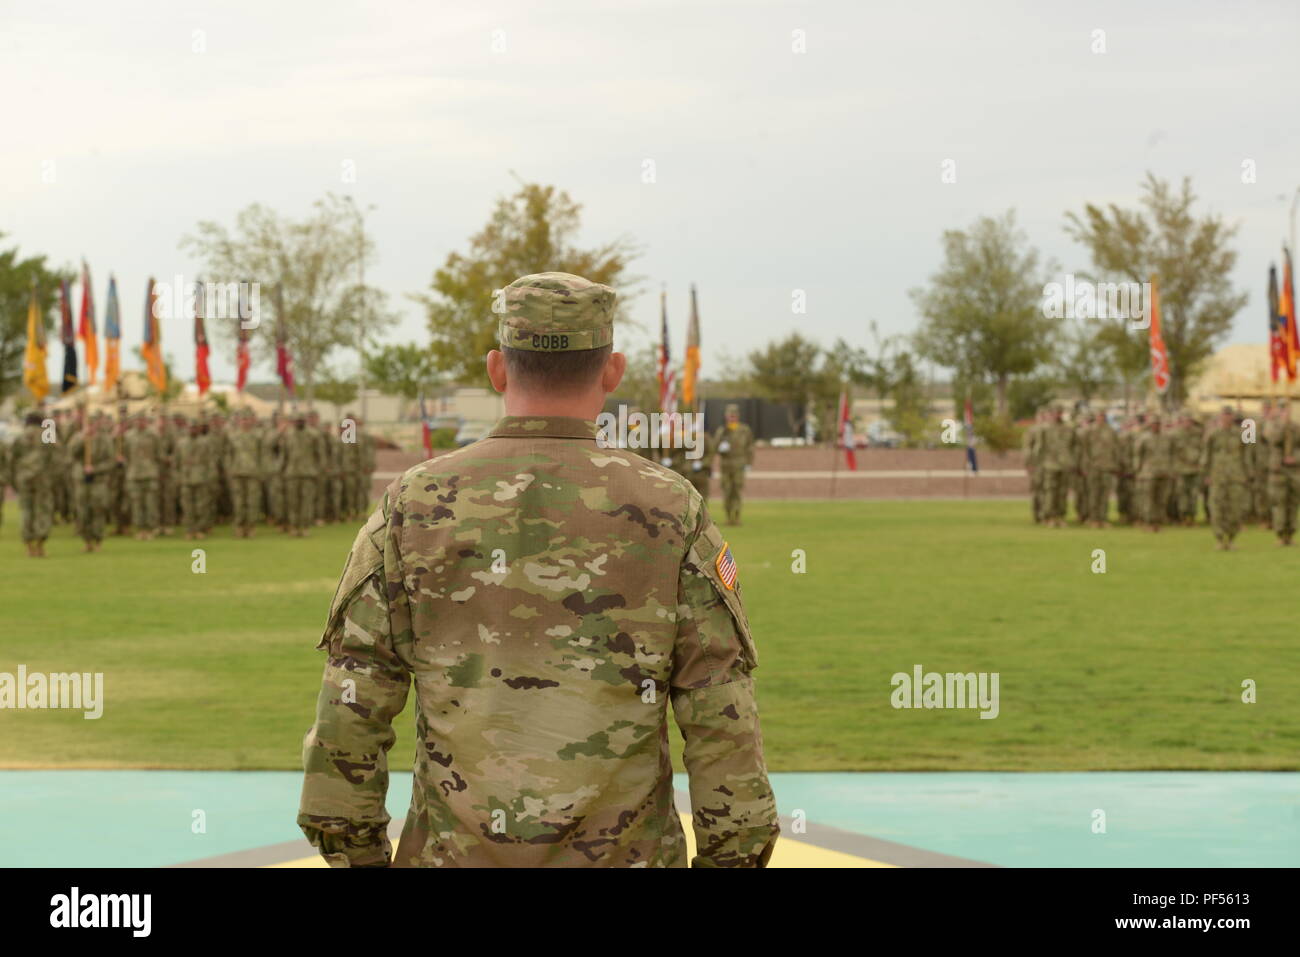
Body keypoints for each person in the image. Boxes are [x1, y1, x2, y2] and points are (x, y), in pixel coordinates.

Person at [297, 271, 778, 868]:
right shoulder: (671, 507)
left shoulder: (414, 504)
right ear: (612, 371)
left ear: (498, 369)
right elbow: (719, 714)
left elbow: (353, 704)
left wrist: (357, 856)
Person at [66, 411, 116, 552]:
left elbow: (110, 461)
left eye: (93, 423)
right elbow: (71, 454)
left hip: (98, 481)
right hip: (81, 480)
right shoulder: (78, 437)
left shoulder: (105, 439)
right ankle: (87, 541)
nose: (91, 427)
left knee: (98, 510)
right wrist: (83, 438)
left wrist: (95, 468)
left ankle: (98, 540)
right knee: (82, 512)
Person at [1201, 406, 1249, 550]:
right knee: (1217, 508)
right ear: (1220, 417)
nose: (1227, 418)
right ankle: (1220, 539)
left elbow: (1247, 454)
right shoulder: (1213, 434)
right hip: (1217, 475)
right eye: (1225, 415)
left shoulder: (1241, 434)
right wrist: (1206, 474)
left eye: (1230, 415)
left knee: (1235, 508)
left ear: (1233, 417)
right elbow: (1206, 455)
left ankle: (1231, 537)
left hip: (1236, 476)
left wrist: (1247, 473)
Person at [8, 411, 56, 556]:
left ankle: (29, 547)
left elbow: (11, 461)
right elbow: (52, 458)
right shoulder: (46, 436)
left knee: (26, 511)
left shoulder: (19, 437)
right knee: (43, 510)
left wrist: (14, 480)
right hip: (42, 478)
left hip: (23, 478)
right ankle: (40, 546)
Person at [712, 403, 755, 525]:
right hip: (726, 465)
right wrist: (720, 447)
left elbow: (750, 447)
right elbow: (714, 448)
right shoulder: (722, 431)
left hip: (739, 464)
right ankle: (728, 516)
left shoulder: (744, 430)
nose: (732, 417)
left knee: (737, 490)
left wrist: (749, 463)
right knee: (726, 491)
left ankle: (736, 516)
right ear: (726, 416)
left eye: (734, 415)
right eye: (730, 415)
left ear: (738, 416)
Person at [124, 412, 163, 539]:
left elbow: (159, 454)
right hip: (134, 474)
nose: (140, 423)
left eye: (142, 420)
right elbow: (126, 454)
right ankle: (140, 529)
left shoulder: (153, 435)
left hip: (149, 473)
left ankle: (151, 529)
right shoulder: (128, 435)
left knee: (150, 504)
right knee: (137, 504)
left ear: (146, 421)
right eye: (137, 420)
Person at [1267, 400, 1300, 546]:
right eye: (1281, 409)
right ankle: (1280, 535)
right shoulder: (1272, 426)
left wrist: (1295, 458)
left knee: (1292, 504)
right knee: (1279, 504)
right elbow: (1273, 440)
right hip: (1278, 470)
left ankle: (1290, 534)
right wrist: (1282, 425)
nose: (1284, 412)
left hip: (1294, 471)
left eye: (1286, 409)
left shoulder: (1296, 427)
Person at [1134, 414, 1174, 533]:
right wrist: (1138, 471)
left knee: (1161, 500)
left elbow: (1171, 455)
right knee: (1148, 500)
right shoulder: (1144, 438)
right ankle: (1148, 522)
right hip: (1148, 474)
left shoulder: (1166, 438)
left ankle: (1158, 523)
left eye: (1158, 424)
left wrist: (1171, 470)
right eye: (1154, 424)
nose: (1156, 426)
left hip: (1163, 472)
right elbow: (1137, 455)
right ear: (1150, 425)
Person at [227, 409, 263, 537]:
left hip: (253, 473)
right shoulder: (232, 436)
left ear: (251, 421)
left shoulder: (258, 436)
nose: (245, 422)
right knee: (238, 502)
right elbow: (228, 454)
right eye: (243, 419)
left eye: (247, 419)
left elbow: (262, 455)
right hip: (237, 473)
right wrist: (229, 469)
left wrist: (261, 470)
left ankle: (251, 526)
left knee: (252, 502)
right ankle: (239, 526)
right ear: (239, 421)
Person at [176, 417, 214, 540]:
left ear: (199, 429)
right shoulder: (181, 443)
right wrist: (178, 477)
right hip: (186, 479)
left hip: (201, 478)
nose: (193, 430)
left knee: (201, 506)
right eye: (191, 427)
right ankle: (189, 530)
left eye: (195, 427)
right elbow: (176, 462)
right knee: (187, 506)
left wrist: (210, 476)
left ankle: (199, 529)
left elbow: (210, 461)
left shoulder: (205, 442)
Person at [284, 413, 318, 536]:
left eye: (302, 420)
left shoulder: (313, 435)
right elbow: (284, 454)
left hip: (308, 473)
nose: (299, 422)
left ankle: (304, 527)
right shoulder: (288, 435)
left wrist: (318, 469)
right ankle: (293, 526)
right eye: (297, 420)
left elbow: (319, 454)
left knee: (306, 502)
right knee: (293, 502)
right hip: (291, 473)